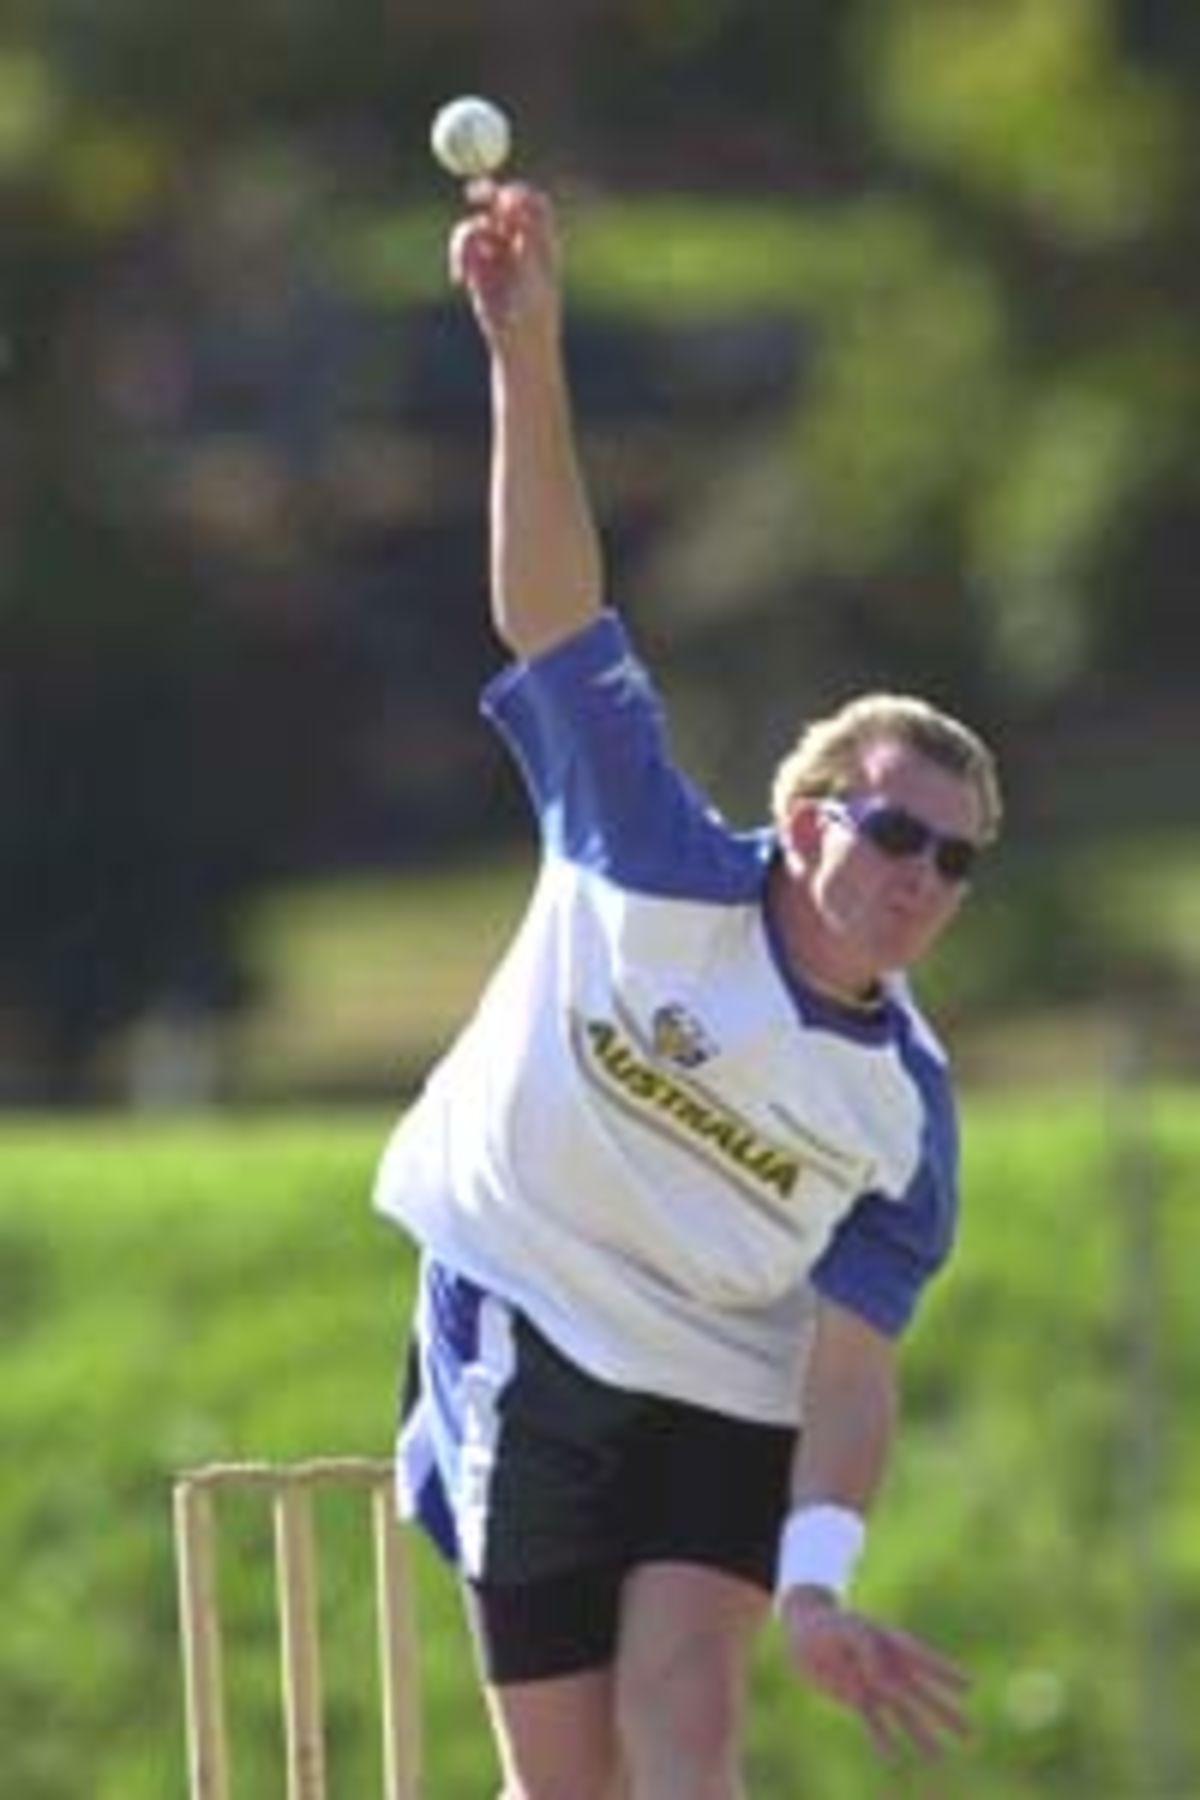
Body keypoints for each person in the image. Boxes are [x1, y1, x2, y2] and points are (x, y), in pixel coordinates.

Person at [373, 179, 1002, 1800]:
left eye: (957, 863)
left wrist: (817, 1580)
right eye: (895, 833)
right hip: (533, 1308)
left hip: (727, 1380)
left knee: (689, 1732)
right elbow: (554, 613)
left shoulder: (901, 1113)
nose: (922, 877)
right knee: (568, 1784)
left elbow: (853, 1371)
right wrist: (528, 356)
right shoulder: (649, 856)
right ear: (806, 822)